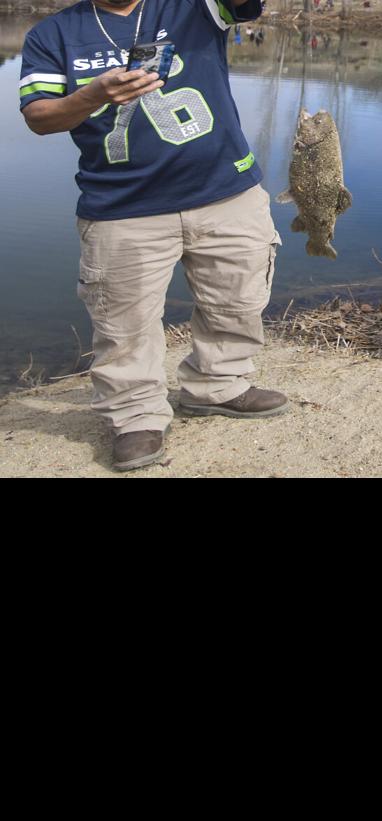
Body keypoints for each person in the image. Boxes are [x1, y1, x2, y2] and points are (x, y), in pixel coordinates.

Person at [18, 0, 289, 472]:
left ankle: (219, 385)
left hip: (226, 192)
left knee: (239, 301)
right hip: (122, 207)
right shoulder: (53, 34)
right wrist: (94, 94)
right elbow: (39, 117)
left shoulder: (196, 7)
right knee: (125, 325)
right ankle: (134, 416)